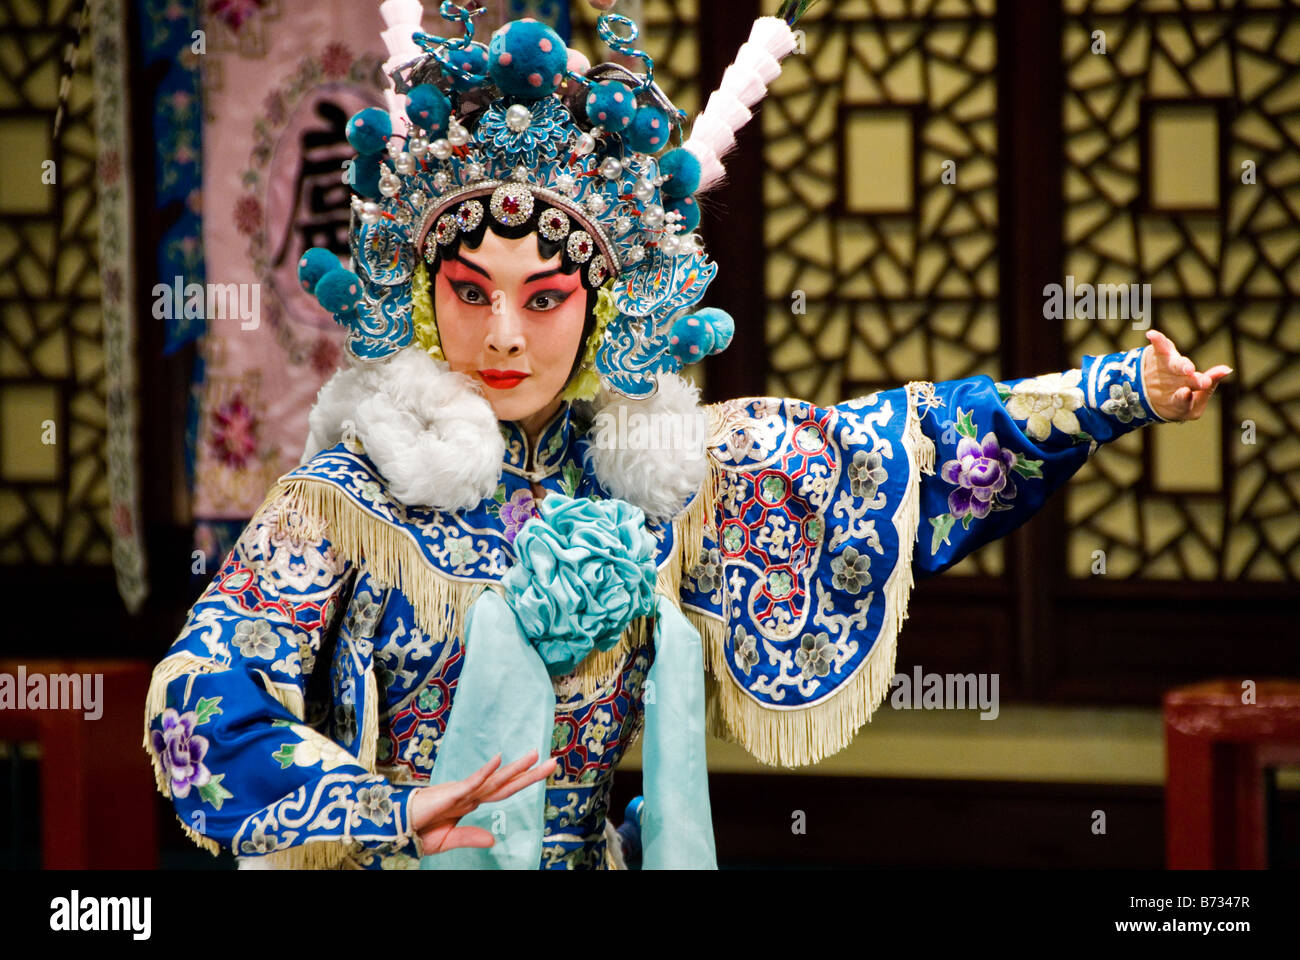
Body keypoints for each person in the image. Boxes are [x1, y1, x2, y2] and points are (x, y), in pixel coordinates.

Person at [143, 2, 1230, 870]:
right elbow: (203, 705)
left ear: (602, 305)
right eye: (472, 294)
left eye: (547, 297)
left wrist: (1115, 391)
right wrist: (392, 808)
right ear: (426, 301)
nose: (506, 336)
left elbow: (905, 446)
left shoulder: (657, 476)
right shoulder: (349, 498)